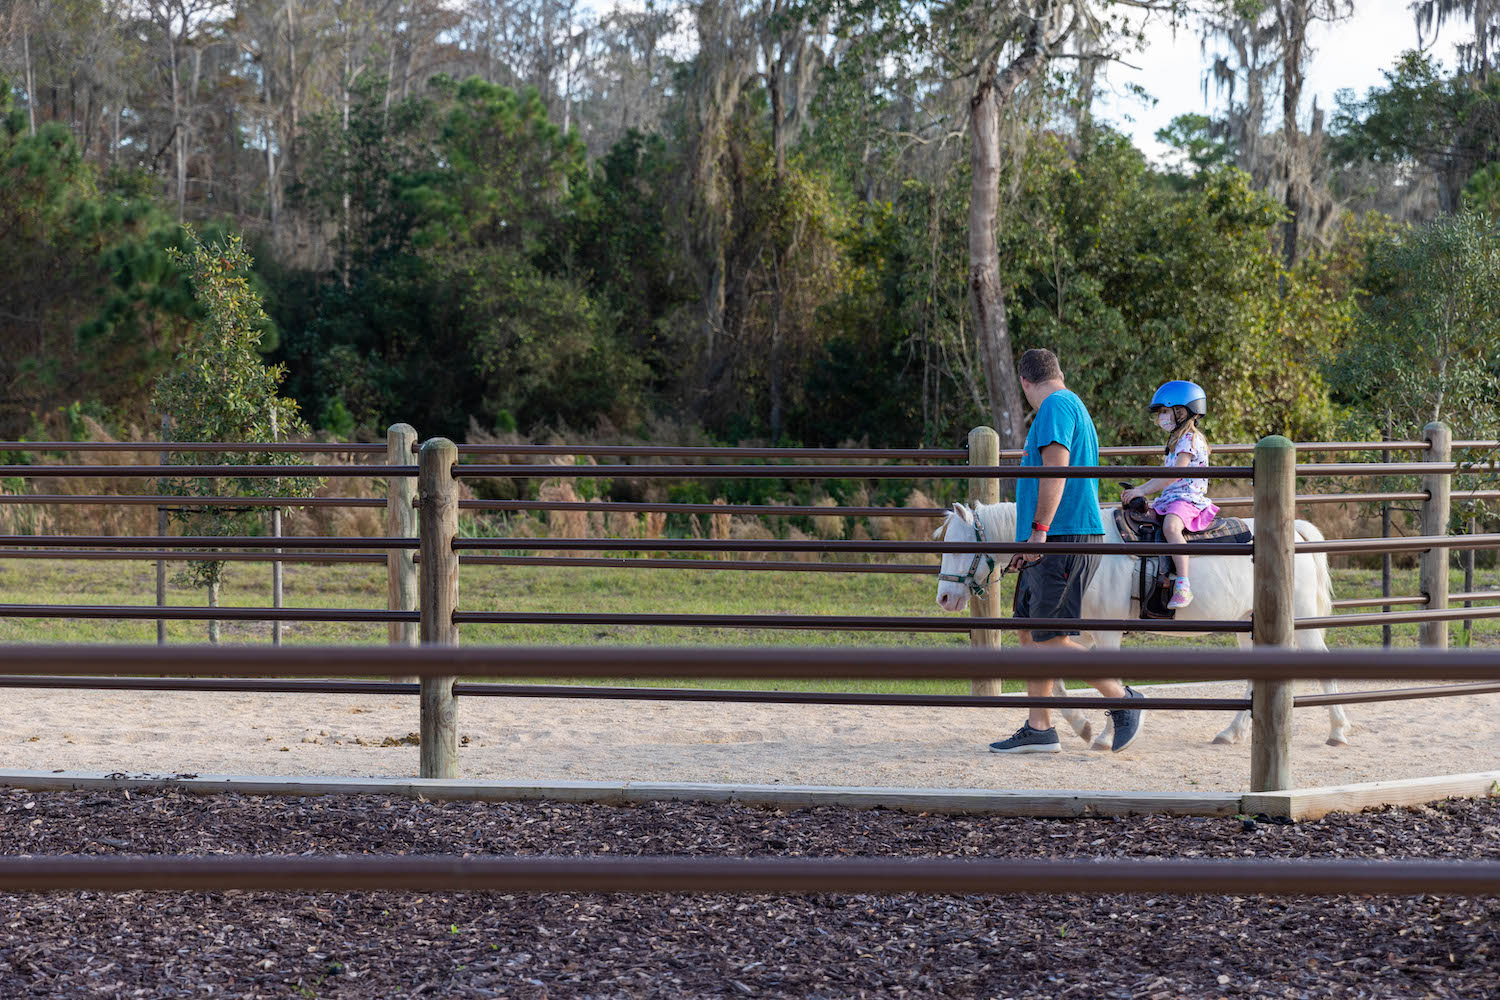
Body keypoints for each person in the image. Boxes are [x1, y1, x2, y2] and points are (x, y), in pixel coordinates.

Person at [989, 349, 1145, 755]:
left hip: (1061, 538)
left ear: (1025, 383)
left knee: (1049, 638)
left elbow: (1055, 470)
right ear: (1058, 372)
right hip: (1049, 540)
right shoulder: (1069, 404)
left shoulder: (1055, 407)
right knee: (1028, 632)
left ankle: (1122, 698)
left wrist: (1038, 532)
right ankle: (1039, 727)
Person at [1120, 381, 1217, 610]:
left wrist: (1142, 489)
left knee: (1171, 527)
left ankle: (1183, 583)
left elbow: (1174, 474)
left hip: (1187, 499)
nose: (1161, 417)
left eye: (1165, 411)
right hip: (1172, 498)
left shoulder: (1190, 439)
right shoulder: (1175, 440)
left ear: (1182, 411)